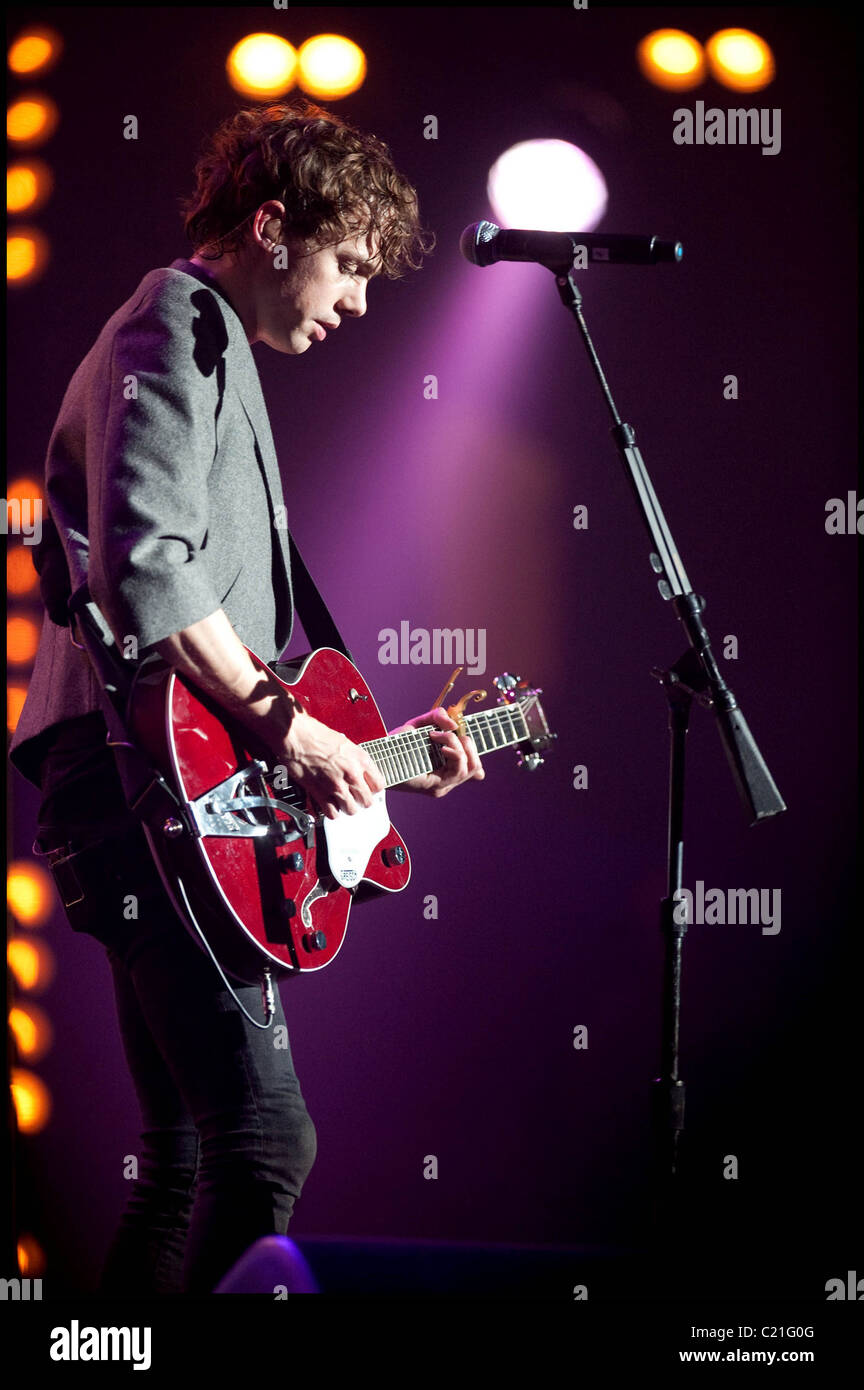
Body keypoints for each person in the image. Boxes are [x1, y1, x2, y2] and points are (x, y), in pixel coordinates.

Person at [9, 98, 484, 1295]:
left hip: (150, 783)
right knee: (268, 1143)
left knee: (182, 1162)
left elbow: (224, 651)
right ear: (273, 227)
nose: (362, 300)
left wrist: (395, 748)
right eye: (350, 264)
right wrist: (295, 728)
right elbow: (152, 568)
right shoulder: (177, 317)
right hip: (134, 785)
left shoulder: (210, 339)